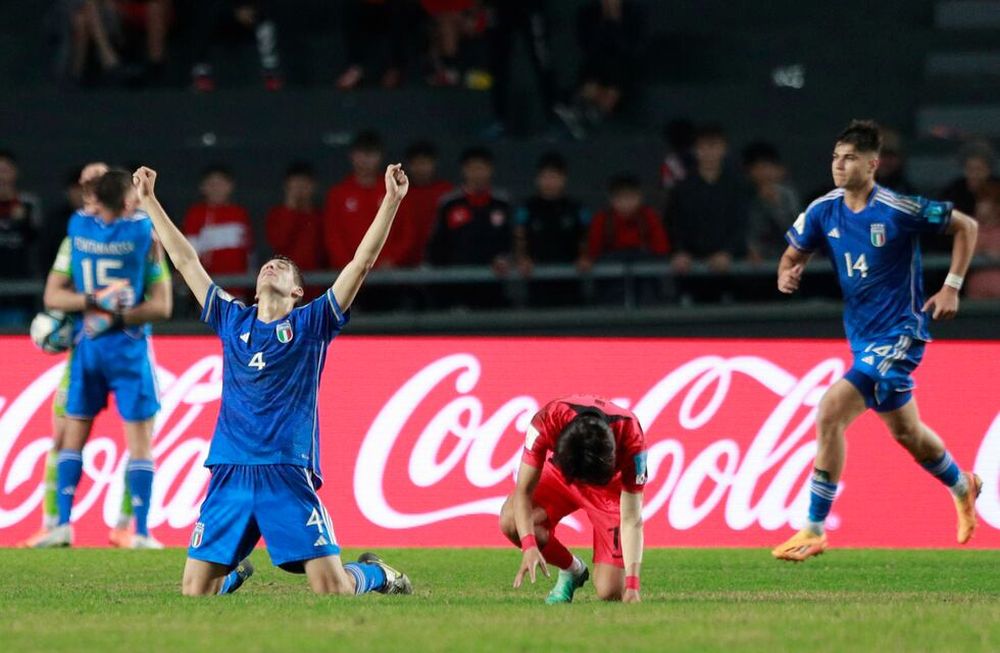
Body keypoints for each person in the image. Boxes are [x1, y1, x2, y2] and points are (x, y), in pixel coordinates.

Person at [131, 163, 413, 596]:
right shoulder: (232, 318)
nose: (271, 268)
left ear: (298, 291)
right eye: (267, 264)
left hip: (285, 469)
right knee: (194, 593)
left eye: (281, 267)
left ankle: (377, 574)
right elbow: (186, 260)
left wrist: (390, 201)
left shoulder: (312, 323)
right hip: (230, 467)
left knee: (332, 590)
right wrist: (150, 202)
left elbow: (361, 263)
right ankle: (234, 573)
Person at [773, 120, 981, 562]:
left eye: (849, 158)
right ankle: (962, 484)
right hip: (863, 338)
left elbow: (966, 226)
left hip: (902, 333)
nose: (838, 165)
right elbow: (791, 255)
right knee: (907, 433)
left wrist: (951, 287)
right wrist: (788, 272)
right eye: (835, 157)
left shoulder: (898, 209)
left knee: (830, 411)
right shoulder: (823, 210)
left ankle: (813, 529)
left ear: (872, 164)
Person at [33, 168, 174, 549]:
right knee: (140, 441)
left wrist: (93, 303)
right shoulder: (144, 234)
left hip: (88, 346)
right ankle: (140, 532)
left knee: (72, 437)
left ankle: (62, 524)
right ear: (128, 201)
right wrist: (117, 316)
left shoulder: (77, 228)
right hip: (128, 347)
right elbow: (162, 307)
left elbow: (53, 295)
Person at [499, 395, 646, 604]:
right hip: (562, 474)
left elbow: (632, 518)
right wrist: (529, 544)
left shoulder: (632, 438)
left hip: (607, 490)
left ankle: (614, 580)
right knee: (511, 520)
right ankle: (573, 570)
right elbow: (523, 491)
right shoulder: (547, 420)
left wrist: (632, 586)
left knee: (611, 591)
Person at [183, 165, 254, 296]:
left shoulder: (240, 213)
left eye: (221, 184)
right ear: (202, 187)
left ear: (230, 186)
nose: (216, 189)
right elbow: (189, 252)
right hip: (208, 289)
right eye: (211, 184)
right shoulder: (195, 214)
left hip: (239, 288)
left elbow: (248, 252)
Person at [265, 162, 325, 292]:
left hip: (317, 284)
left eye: (305, 184)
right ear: (287, 187)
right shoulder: (276, 214)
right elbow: (279, 242)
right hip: (285, 286)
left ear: (313, 186)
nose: (300, 189)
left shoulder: (321, 216)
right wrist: (290, 208)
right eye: (295, 184)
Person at [0, 150, 43, 325]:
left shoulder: (28, 203)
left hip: (20, 282)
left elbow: (37, 238)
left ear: (15, 172)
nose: (1, 176)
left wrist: (23, 221)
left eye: (5, 170)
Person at [395, 141, 453, 267]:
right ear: (408, 166)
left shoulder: (447, 192)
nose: (420, 168)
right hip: (403, 263)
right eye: (416, 163)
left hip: (440, 262)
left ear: (434, 164)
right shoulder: (399, 192)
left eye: (425, 163)